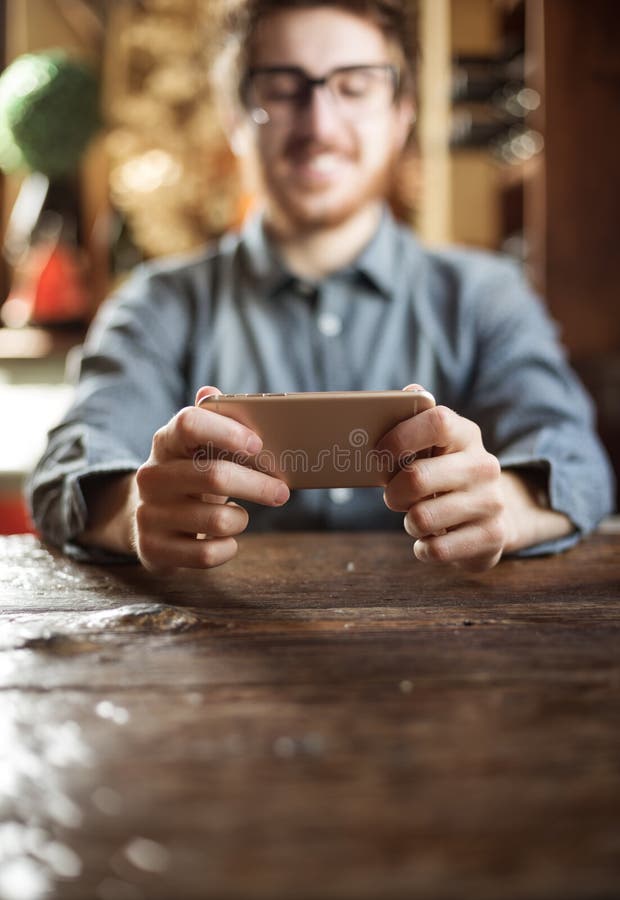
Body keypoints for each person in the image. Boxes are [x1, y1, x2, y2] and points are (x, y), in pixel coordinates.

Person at [28, 0, 614, 573]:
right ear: (235, 118)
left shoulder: (488, 295)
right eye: (284, 89)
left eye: (354, 86)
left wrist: (506, 507)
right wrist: (135, 511)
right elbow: (65, 475)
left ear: (402, 113)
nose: (319, 125)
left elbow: (577, 464)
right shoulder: (155, 304)